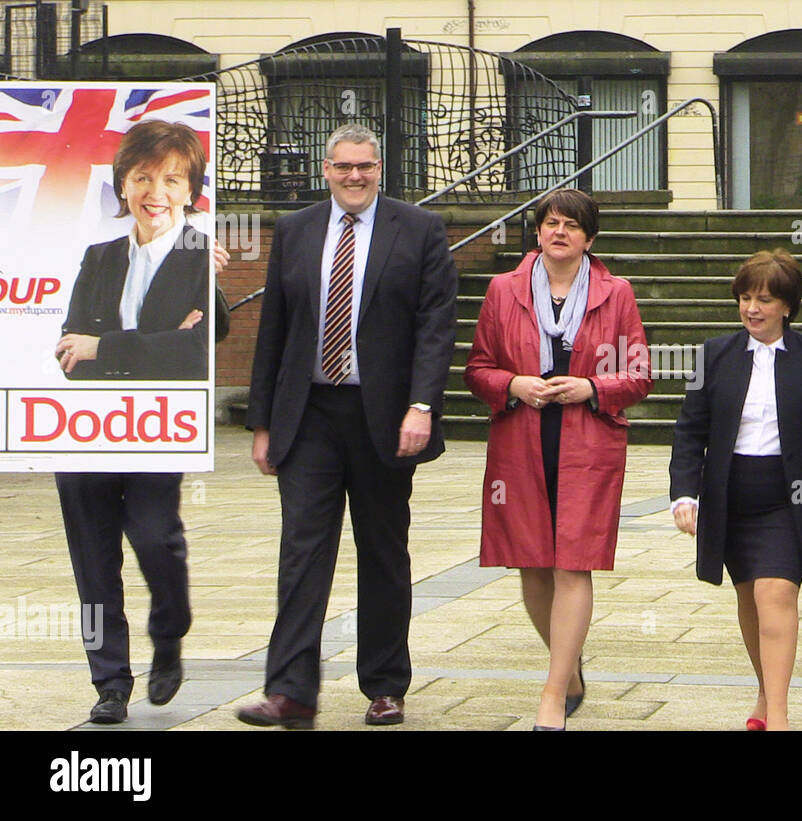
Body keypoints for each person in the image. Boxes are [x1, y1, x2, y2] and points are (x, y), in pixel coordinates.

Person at [237, 123, 457, 729]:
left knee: (383, 552)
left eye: (365, 166)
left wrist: (422, 405)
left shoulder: (419, 229)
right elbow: (274, 330)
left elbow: (435, 326)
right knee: (302, 552)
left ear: (380, 168)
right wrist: (262, 423)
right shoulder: (296, 229)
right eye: (343, 167)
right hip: (308, 415)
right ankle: (290, 692)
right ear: (326, 170)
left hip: (385, 418)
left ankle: (385, 686)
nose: (354, 176)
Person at [51, 118, 220, 724]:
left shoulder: (200, 256)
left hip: (157, 428)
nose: (156, 191)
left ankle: (169, 634)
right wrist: (153, 344)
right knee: (93, 563)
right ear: (123, 183)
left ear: (190, 189)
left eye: (172, 179)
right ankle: (110, 682)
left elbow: (198, 352)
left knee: (155, 539)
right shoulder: (98, 257)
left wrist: (107, 347)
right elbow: (69, 352)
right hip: (87, 430)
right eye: (143, 177)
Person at [464, 188, 651, 730]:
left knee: (573, 561)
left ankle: (551, 692)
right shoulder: (503, 289)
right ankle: (568, 671)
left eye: (571, 225)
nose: (559, 232)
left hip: (588, 441)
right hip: (520, 438)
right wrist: (513, 384)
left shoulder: (617, 293)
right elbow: (477, 369)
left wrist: (593, 387)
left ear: (589, 238)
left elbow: (639, 374)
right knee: (531, 562)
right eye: (551, 223)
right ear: (538, 231)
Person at [669, 250, 802, 731]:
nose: (752, 309)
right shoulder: (713, 354)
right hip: (732, 498)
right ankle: (764, 692)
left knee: (775, 593)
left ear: (787, 307)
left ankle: (778, 716)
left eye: (764, 300)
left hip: (791, 499)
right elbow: (690, 431)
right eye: (745, 298)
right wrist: (684, 493)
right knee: (750, 600)